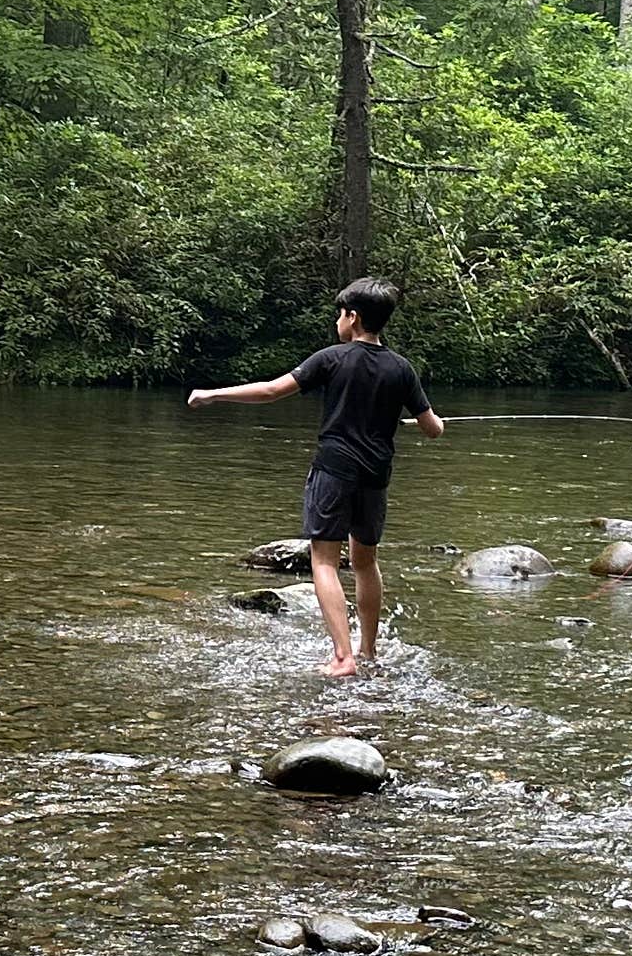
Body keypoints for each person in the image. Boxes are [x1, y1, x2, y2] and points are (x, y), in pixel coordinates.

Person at [187, 276, 445, 677]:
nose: (337, 322)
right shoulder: (402, 369)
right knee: (365, 560)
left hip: (334, 470)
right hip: (375, 476)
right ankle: (368, 651)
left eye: (340, 314)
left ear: (353, 317)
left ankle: (342, 658)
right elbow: (432, 429)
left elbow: (273, 391)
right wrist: (434, 420)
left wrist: (213, 394)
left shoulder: (331, 358)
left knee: (324, 561)